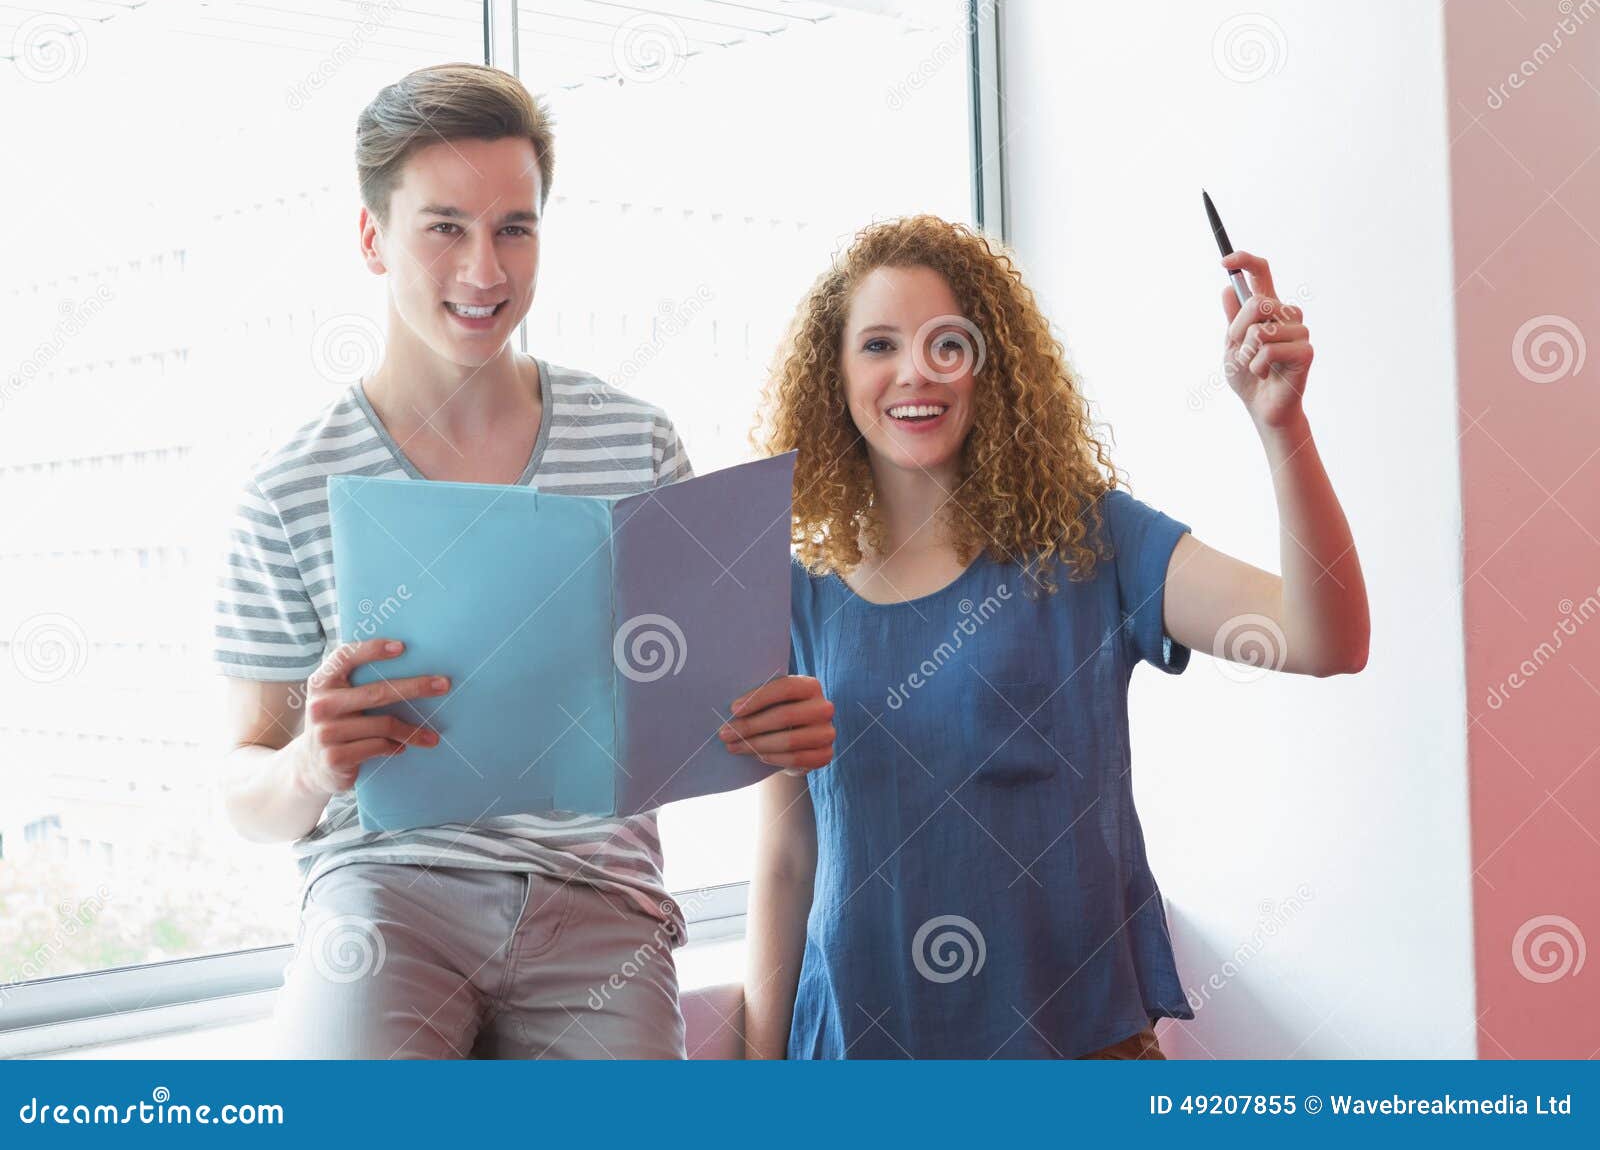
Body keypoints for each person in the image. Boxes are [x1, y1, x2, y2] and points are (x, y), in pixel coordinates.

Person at [213, 62, 835, 1060]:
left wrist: (769, 724)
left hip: (602, 903)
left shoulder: (636, 444)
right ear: (373, 238)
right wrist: (310, 765)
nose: (485, 271)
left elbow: (696, 699)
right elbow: (246, 789)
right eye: (445, 227)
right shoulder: (289, 488)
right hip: (385, 896)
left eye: (515, 227)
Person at [732, 215, 1369, 1059]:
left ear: (990, 367)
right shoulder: (793, 594)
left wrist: (1280, 425)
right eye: (879, 345)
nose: (914, 371)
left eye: (946, 344)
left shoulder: (1091, 542)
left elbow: (1325, 638)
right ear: (836, 376)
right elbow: (786, 854)